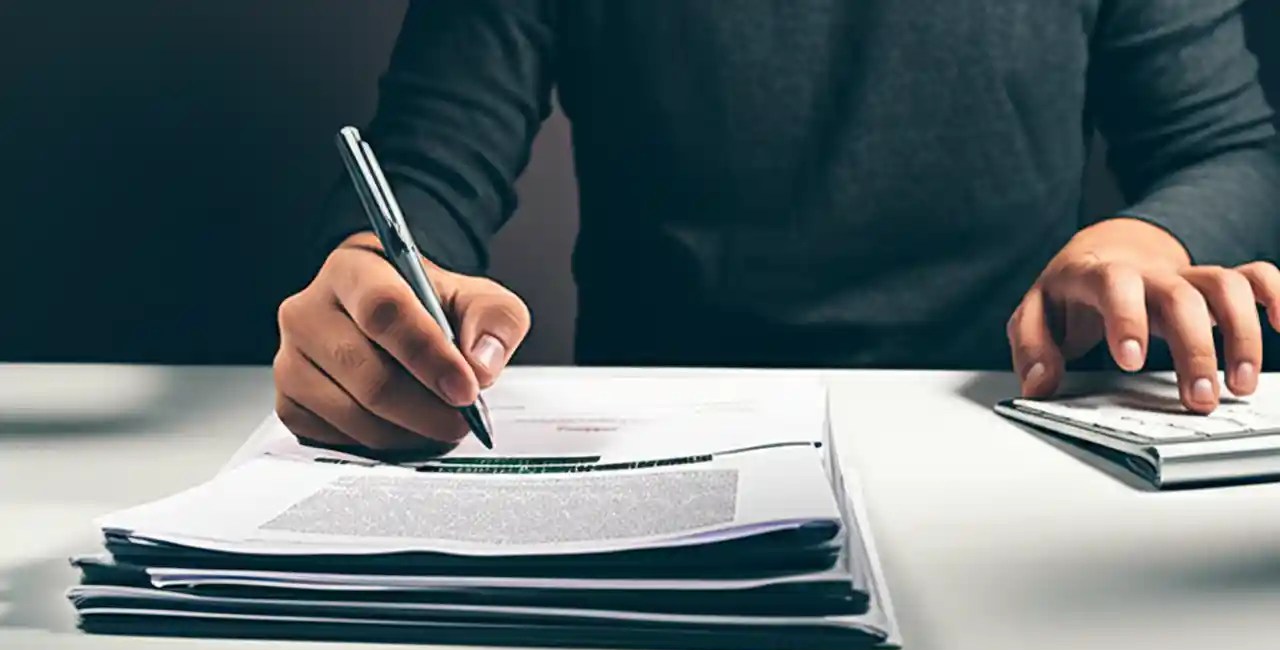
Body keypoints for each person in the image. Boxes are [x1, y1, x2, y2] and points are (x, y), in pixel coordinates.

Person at [273, 0, 1280, 450]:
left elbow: (1227, 148)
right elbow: (422, 170)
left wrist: (1142, 242)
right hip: (664, 448)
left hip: (1009, 427)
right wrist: (370, 279)